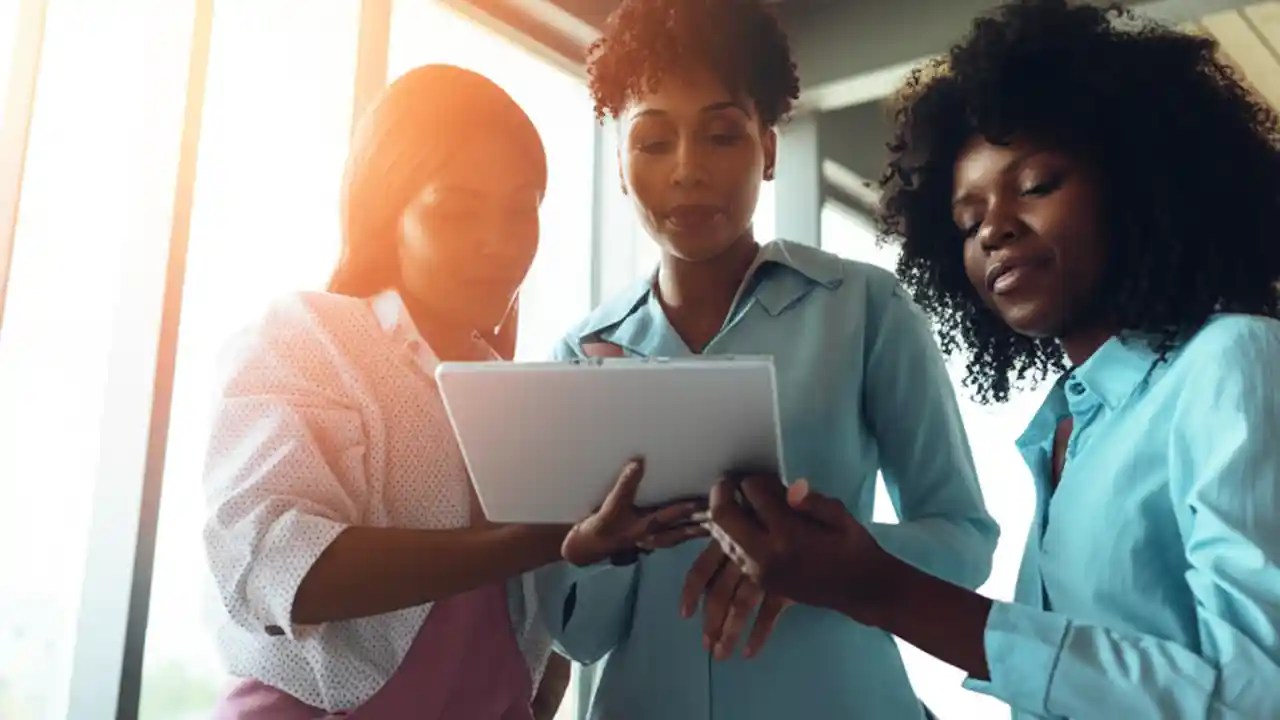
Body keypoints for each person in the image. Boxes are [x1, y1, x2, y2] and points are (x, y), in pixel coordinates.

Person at [702, 1, 1280, 718]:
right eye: (968, 222)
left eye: (1036, 186)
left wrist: (882, 588)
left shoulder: (1234, 363)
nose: (996, 230)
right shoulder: (1068, 426)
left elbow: (1258, 695)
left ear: (1136, 180)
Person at [534, 1, 999, 718]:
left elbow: (965, 544)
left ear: (770, 150)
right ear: (620, 166)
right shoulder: (582, 354)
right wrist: (601, 551)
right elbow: (581, 636)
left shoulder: (866, 308)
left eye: (721, 135)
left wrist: (829, 563)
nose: (688, 170)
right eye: (653, 143)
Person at [203, 64, 704, 719]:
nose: (498, 242)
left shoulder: (528, 397)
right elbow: (268, 562)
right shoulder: (307, 337)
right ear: (388, 211)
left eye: (521, 208)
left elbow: (536, 634)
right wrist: (539, 537)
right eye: (458, 210)